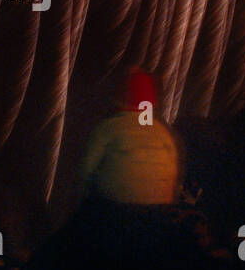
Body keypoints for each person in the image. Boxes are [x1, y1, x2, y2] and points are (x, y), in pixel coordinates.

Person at [78, 67, 182, 206]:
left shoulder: (109, 127)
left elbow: (86, 171)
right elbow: (175, 177)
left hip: (115, 209)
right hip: (158, 212)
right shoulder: (163, 133)